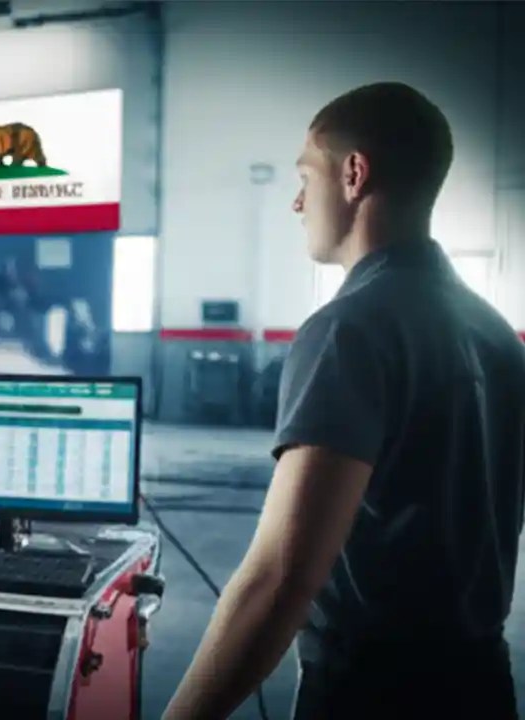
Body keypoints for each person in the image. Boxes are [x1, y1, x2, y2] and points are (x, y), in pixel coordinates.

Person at [163, 82, 525, 719]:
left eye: (306, 176)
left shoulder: (349, 328)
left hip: (375, 695)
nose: (298, 202)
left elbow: (280, 578)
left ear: (354, 173)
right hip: (483, 685)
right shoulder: (493, 331)